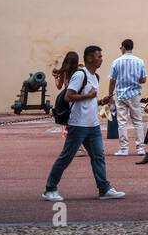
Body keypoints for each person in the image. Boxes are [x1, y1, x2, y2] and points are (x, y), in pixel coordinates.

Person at [43, 45, 125, 200]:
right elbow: (68, 96)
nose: (101, 59)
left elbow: (90, 99)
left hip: (92, 125)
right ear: (89, 58)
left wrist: (101, 100)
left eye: (101, 56)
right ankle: (50, 189)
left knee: (98, 156)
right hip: (78, 124)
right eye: (98, 56)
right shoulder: (80, 75)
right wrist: (88, 96)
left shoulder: (95, 76)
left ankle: (104, 188)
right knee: (66, 157)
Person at [106, 38, 148, 157]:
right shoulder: (139, 61)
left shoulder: (116, 62)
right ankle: (140, 148)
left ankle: (124, 149)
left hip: (120, 94)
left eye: (121, 47)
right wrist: (135, 80)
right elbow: (144, 79)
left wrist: (110, 96)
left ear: (124, 47)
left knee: (122, 122)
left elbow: (112, 80)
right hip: (134, 95)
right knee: (138, 121)